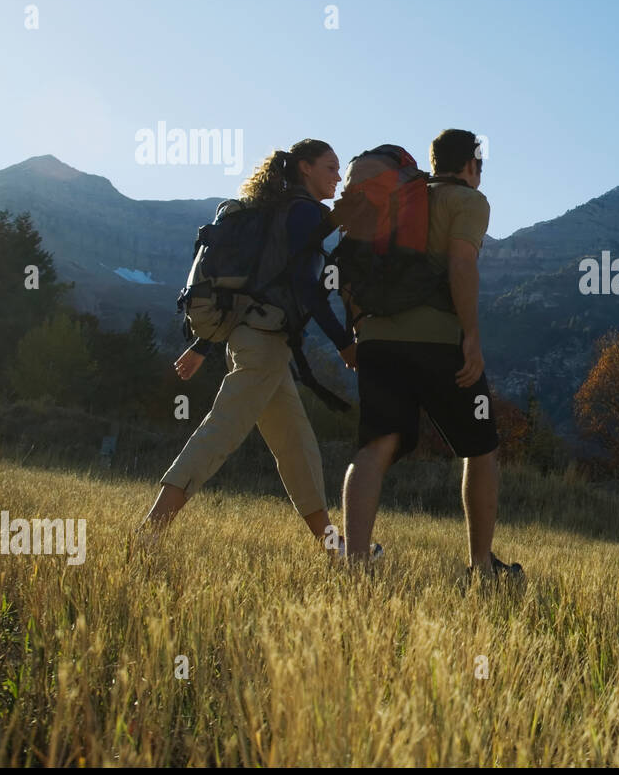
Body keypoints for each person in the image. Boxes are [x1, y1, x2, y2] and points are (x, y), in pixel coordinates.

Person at [140, 139, 363, 552]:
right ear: (304, 168)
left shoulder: (284, 212)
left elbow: (255, 288)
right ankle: (150, 533)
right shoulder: (305, 213)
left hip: (261, 344)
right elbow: (305, 288)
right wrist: (343, 343)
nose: (336, 177)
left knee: (298, 450)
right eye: (330, 168)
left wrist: (204, 347)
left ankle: (335, 549)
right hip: (263, 345)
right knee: (221, 431)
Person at [340, 129, 521, 583]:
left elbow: (353, 266)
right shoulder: (469, 202)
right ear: (472, 165)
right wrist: (472, 337)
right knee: (481, 448)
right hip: (439, 341)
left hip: (378, 339)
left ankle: (356, 563)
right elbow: (462, 265)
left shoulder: (398, 199)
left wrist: (361, 331)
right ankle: (481, 568)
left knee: (375, 445)